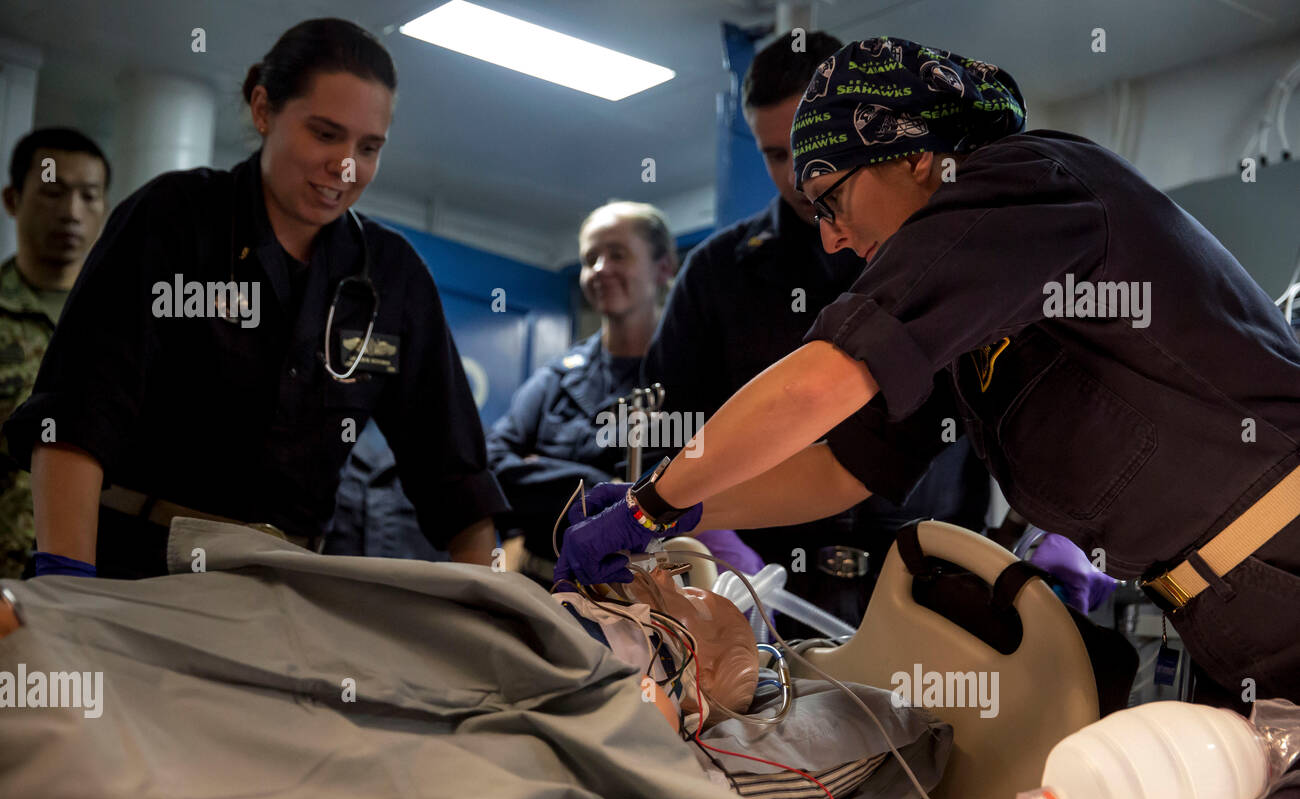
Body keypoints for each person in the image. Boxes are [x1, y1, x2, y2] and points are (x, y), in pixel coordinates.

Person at [558, 37, 1300, 715]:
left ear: (915, 157)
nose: (833, 237)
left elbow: (826, 379)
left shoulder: (1028, 182)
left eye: (835, 199)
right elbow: (845, 466)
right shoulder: (969, 311)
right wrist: (694, 512)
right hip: (1218, 613)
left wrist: (657, 500)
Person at [1, 18, 506, 579]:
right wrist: (67, 585)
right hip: (135, 568)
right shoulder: (172, 219)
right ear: (263, 109)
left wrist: (489, 610)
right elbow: (76, 418)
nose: (345, 167)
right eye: (324, 133)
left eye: (368, 147)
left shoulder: (392, 275)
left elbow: (457, 482)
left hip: (285, 592)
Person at [642, 32, 987, 630]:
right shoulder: (716, 274)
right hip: (762, 588)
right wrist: (708, 537)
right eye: (777, 155)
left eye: (813, 148)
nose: (801, 176)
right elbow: (670, 428)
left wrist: (1035, 540)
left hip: (933, 588)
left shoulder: (957, 252)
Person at [486, 201, 676, 578]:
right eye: (591, 258)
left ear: (663, 268)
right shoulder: (557, 376)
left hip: (643, 593)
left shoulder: (688, 375)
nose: (601, 269)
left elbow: (683, 492)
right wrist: (602, 488)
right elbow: (493, 461)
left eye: (617, 254)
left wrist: (543, 474)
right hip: (542, 583)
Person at [0, 128, 110, 578]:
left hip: (90, 585)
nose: (71, 212)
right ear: (12, 199)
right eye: (52, 192)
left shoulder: (122, 324)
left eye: (89, 196)